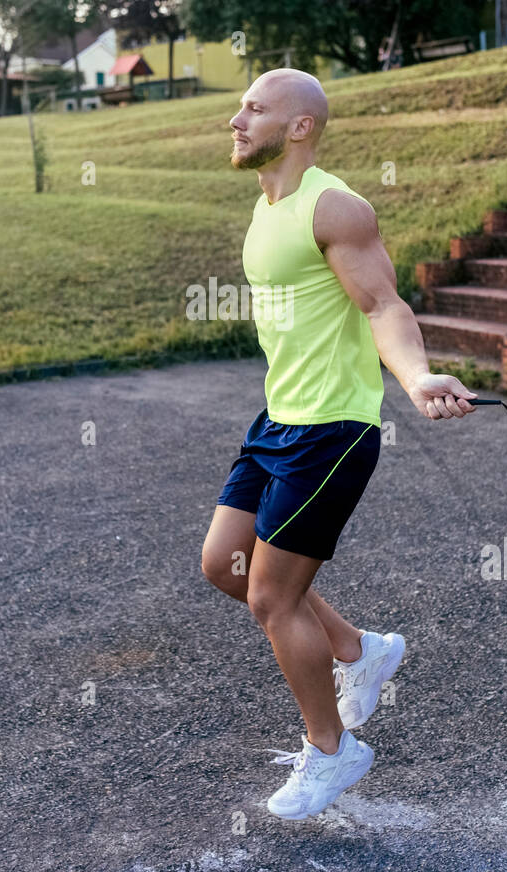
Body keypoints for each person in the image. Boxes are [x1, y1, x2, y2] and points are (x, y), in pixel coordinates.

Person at [201, 68, 477, 820]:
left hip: (331, 430)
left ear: (299, 127)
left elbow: (384, 303)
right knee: (225, 564)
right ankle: (361, 651)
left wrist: (417, 377)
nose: (235, 119)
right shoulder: (266, 208)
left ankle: (333, 751)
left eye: (252, 109)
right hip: (278, 420)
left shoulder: (335, 205)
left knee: (270, 594)